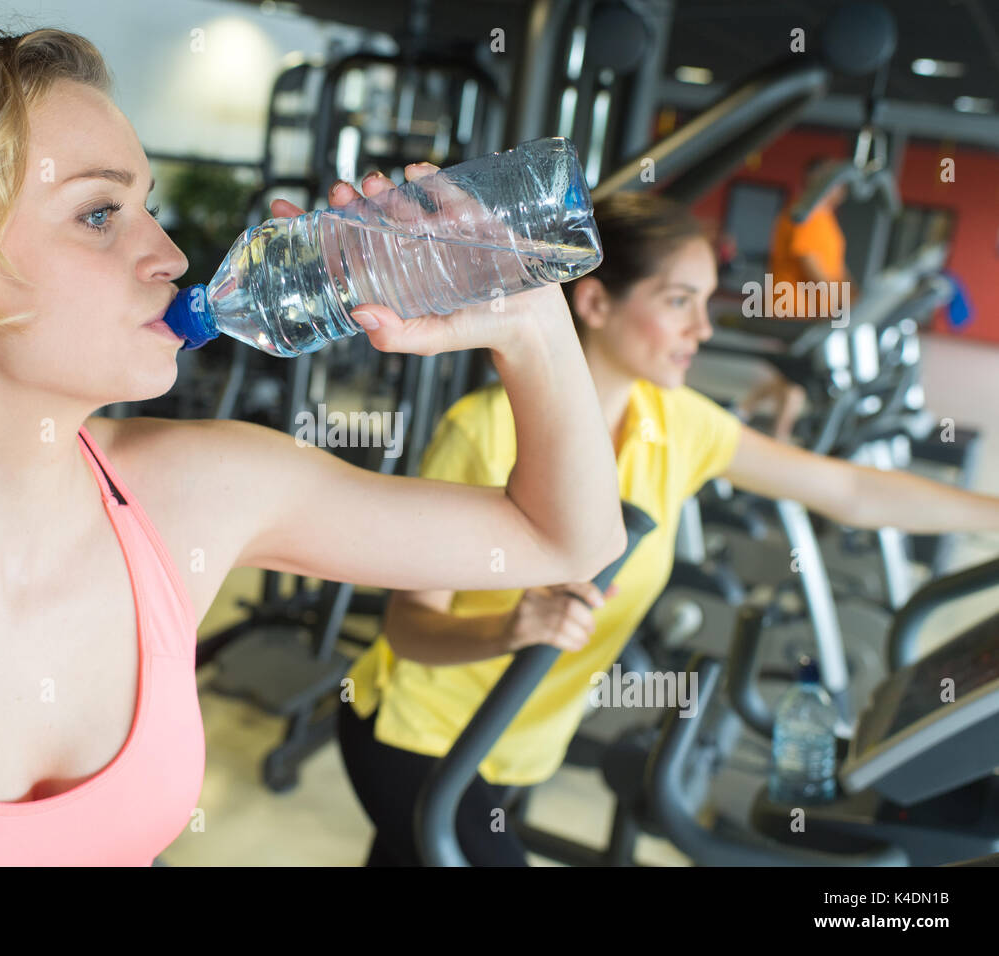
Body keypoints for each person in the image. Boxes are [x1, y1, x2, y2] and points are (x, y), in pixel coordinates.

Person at [0, 23, 627, 866]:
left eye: (147, 206)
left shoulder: (200, 494)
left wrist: (529, 320)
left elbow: (565, 539)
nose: (173, 255)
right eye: (100, 214)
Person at [338, 191, 999, 867]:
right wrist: (510, 629)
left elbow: (849, 489)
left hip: (519, 748)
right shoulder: (484, 432)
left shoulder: (678, 424)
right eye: (679, 301)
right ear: (595, 305)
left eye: (705, 303)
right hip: (417, 736)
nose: (702, 330)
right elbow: (408, 628)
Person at [738, 158, 859, 441]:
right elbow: (810, 264)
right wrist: (840, 298)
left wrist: (854, 294)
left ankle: (743, 411)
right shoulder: (804, 213)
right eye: (833, 183)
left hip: (813, 310)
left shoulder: (825, 217)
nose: (839, 190)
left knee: (790, 375)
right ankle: (777, 437)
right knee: (796, 380)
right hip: (791, 308)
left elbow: (835, 266)